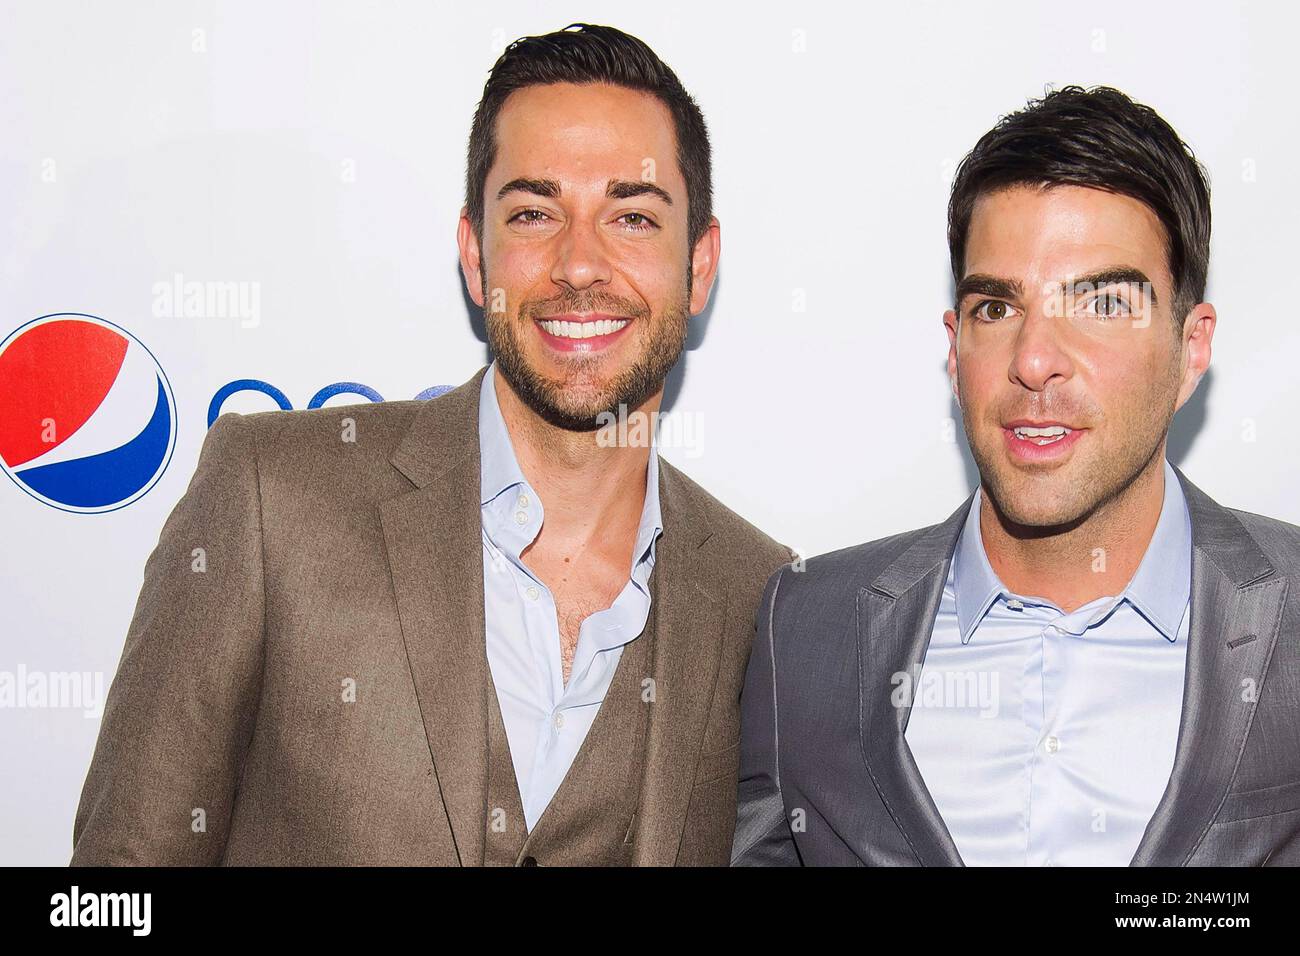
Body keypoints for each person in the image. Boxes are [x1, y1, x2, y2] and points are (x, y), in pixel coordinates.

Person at [72, 23, 792, 867]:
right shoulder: (271, 498)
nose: (580, 264)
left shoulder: (763, 599)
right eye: (533, 212)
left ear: (699, 265)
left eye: (631, 217)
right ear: (474, 254)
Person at [733, 86, 1300, 866]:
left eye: (1101, 303)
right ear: (955, 343)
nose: (1034, 360)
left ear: (1191, 349)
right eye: (997, 308)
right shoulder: (803, 628)